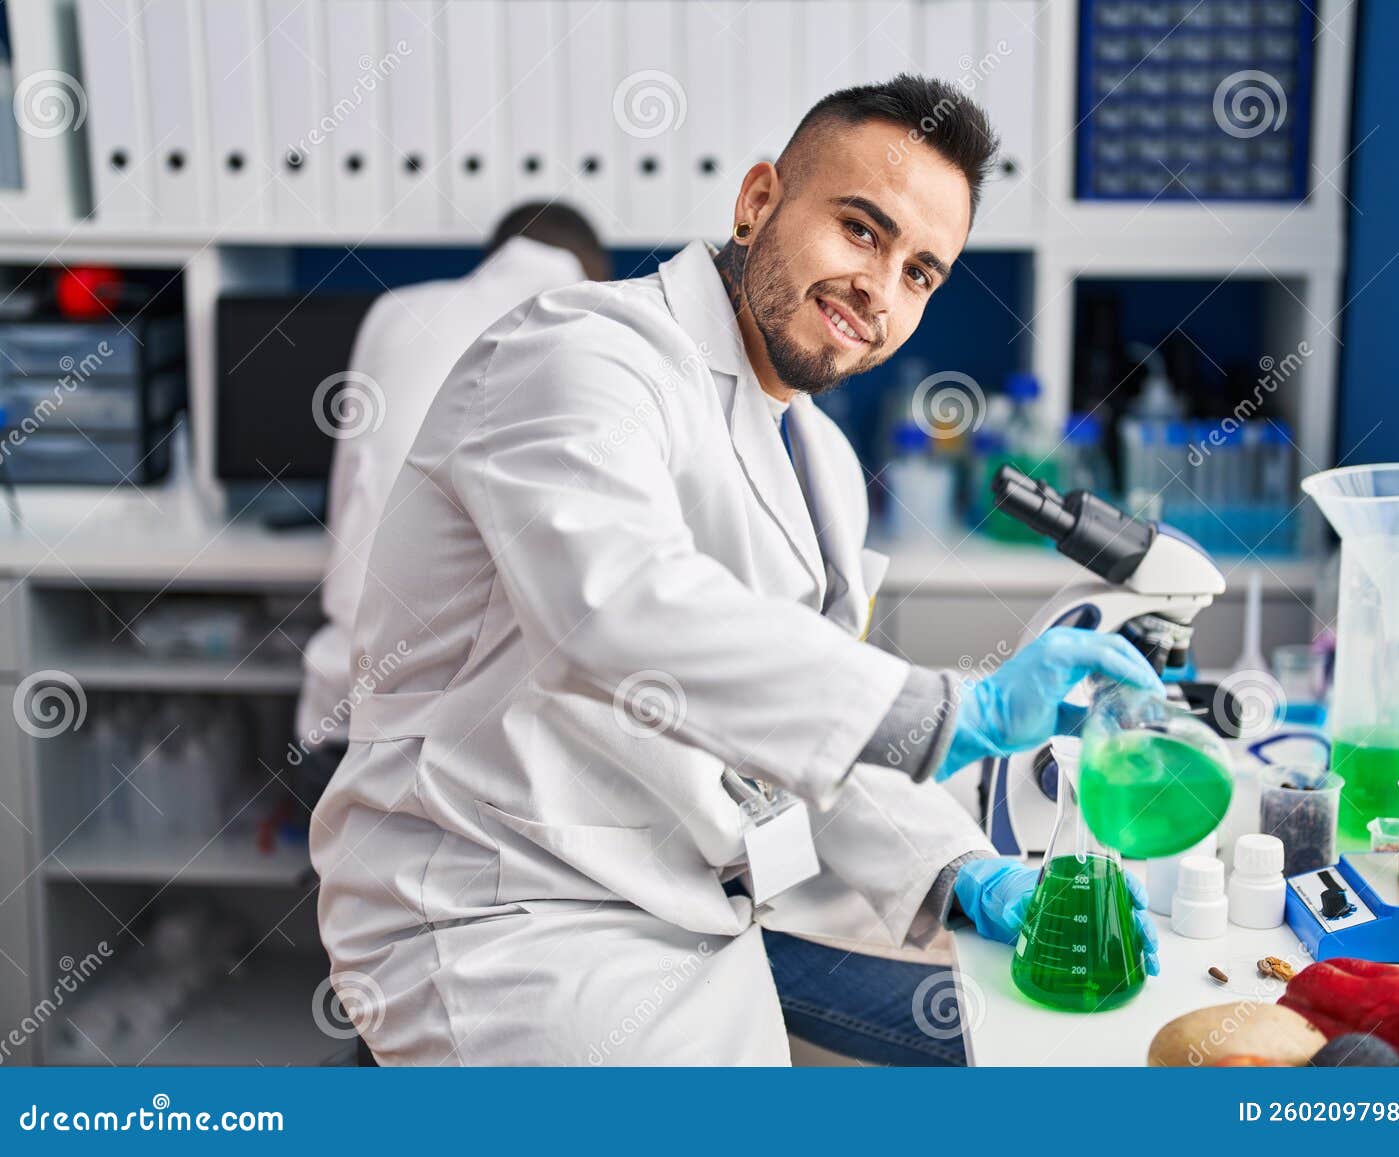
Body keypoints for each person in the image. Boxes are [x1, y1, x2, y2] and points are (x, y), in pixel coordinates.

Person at [310, 74, 1160, 1067]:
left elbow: (797, 739)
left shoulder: (824, 467)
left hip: (689, 910)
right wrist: (946, 709)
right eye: (859, 230)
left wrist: (961, 868)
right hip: (511, 926)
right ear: (758, 200)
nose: (878, 291)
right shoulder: (579, 355)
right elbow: (619, 607)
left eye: (921, 273)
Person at [294, 203, 608, 793]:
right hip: (472, 743)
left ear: (491, 256)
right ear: (594, 271)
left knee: (343, 881)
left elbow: (351, 489)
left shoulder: (391, 310)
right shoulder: (585, 325)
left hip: (340, 707)